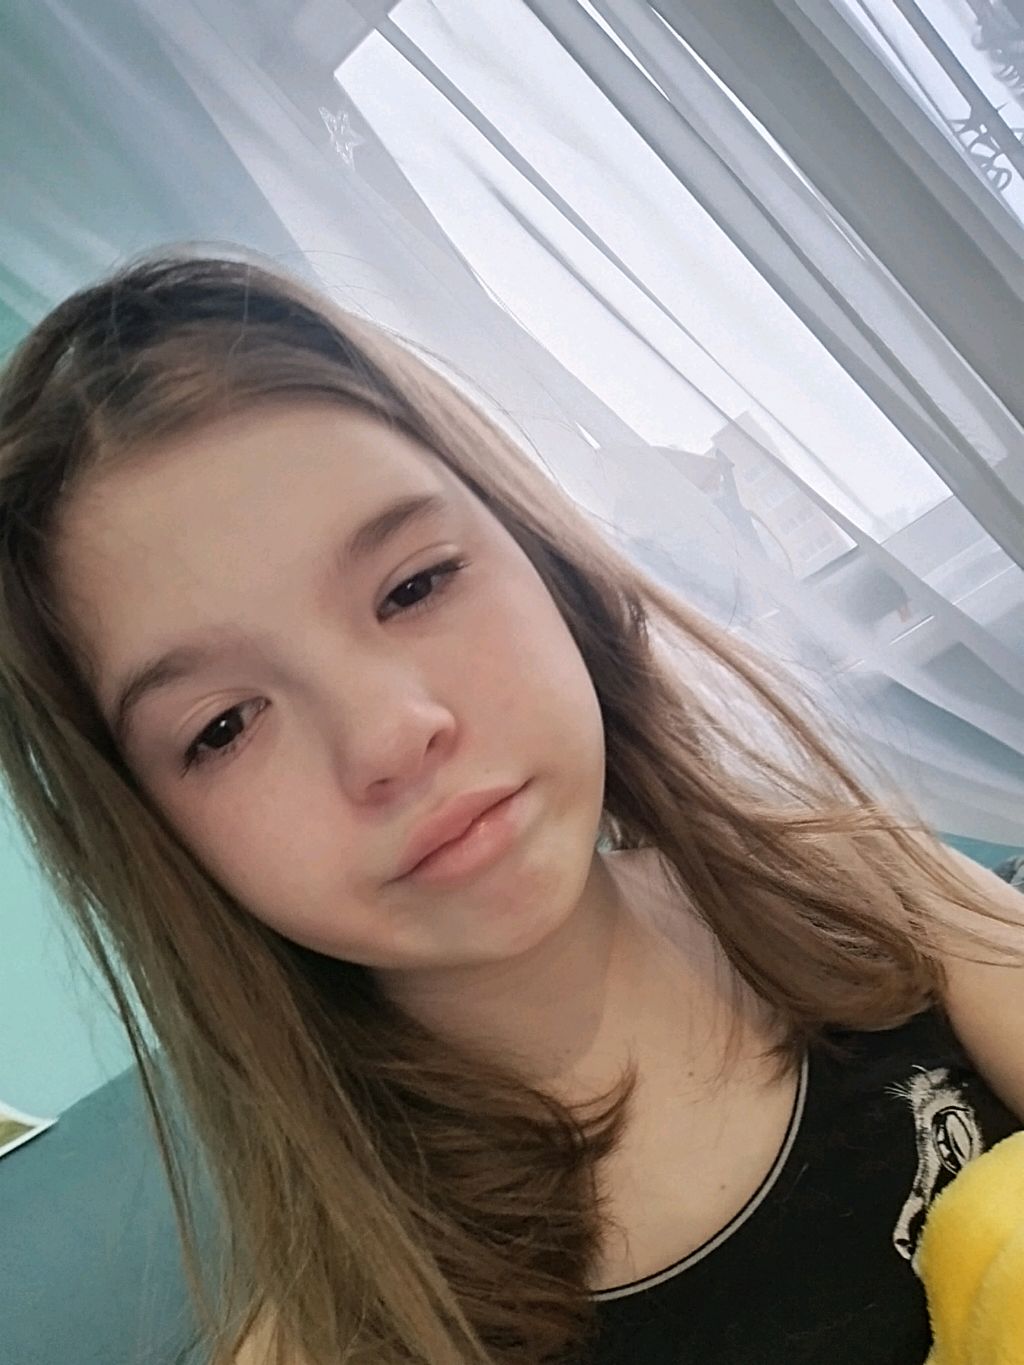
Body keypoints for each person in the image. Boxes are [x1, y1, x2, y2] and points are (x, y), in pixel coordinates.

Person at [0, 250, 1021, 1365]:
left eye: (415, 585)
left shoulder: (867, 889)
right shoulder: (349, 1338)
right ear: (159, 836)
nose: (389, 736)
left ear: (539, 556)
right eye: (224, 725)